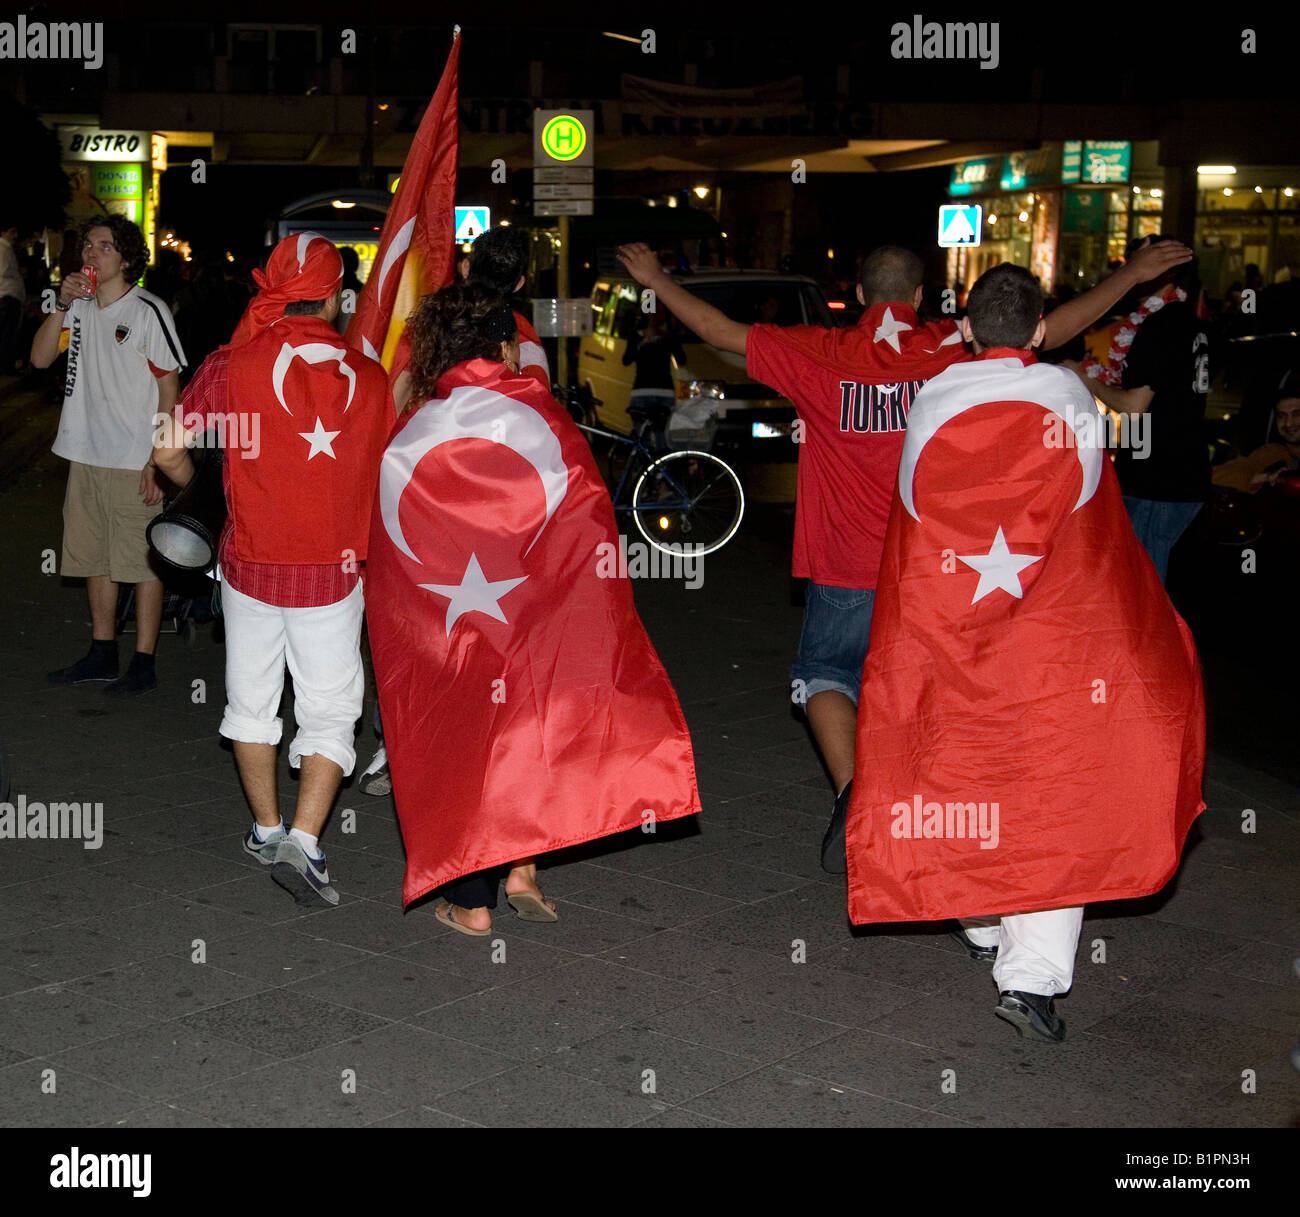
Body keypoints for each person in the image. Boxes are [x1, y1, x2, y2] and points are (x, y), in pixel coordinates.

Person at [617, 236, 1194, 873]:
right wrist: (1133, 273)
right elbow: (1046, 327)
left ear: (859, 294)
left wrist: (656, 277)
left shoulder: (820, 351)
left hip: (847, 565)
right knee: (930, 687)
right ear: (921, 298)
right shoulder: (950, 346)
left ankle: (854, 788)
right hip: (938, 567)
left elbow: (717, 329)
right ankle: (940, 809)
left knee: (826, 673)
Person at [846, 264, 1205, 1041]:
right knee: (1056, 785)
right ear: (1042, 330)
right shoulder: (1070, 398)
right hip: (1050, 641)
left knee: (958, 765)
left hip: (952, 632)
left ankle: (977, 916)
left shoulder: (930, 400)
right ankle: (1032, 977)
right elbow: (1095, 520)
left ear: (966, 329)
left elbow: (917, 520)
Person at [364, 284, 700, 934]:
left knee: (465, 740)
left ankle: (471, 902)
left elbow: (392, 539)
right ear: (507, 345)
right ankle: (522, 867)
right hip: (528, 611)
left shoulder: (416, 430)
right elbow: (588, 518)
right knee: (524, 723)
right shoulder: (541, 414)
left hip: (453, 621)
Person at [152, 233, 393, 907]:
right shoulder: (371, 378)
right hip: (334, 571)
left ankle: (265, 827)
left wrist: (194, 490)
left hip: (250, 565)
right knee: (331, 707)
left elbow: (168, 447)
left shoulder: (233, 362)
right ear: (336, 297)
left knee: (251, 703)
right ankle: (307, 842)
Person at [360, 224, 553, 794]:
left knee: (415, 627)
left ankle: (401, 743)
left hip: (420, 506)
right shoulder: (526, 344)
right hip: (499, 516)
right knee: (485, 631)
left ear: (467, 269)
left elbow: (386, 413)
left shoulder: (425, 330)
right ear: (519, 282)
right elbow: (541, 430)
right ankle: (489, 747)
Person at [35, 216, 186, 696]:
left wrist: (156, 460)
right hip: (83, 452)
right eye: (87, 245)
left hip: (132, 457)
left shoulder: (146, 310)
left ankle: (143, 660)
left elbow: (170, 389)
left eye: (104, 246)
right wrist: (60, 305)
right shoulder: (76, 308)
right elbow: (40, 359)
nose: (92, 253)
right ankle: (102, 651)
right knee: (93, 556)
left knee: (141, 562)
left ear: (126, 258)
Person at [1070, 235, 1210, 584]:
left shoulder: (1160, 325)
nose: (1128, 272)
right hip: (1181, 476)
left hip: (1157, 482)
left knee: (1141, 589)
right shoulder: (1187, 320)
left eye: (1136, 263)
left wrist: (1081, 377)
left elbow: (1134, 408)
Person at [1211, 370, 1300, 492]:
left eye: (1296, 414)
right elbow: (1216, 476)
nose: (1288, 423)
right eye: (1282, 416)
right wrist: (1266, 477)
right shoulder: (1272, 453)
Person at [0, 220, 25, 373]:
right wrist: (17, 273)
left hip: (10, 295)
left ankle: (6, 364)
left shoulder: (6, 248)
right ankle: (5, 365)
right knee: (6, 333)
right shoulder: (3, 249)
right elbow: (2, 271)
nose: (15, 236)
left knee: (8, 332)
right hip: (7, 295)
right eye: (11, 232)